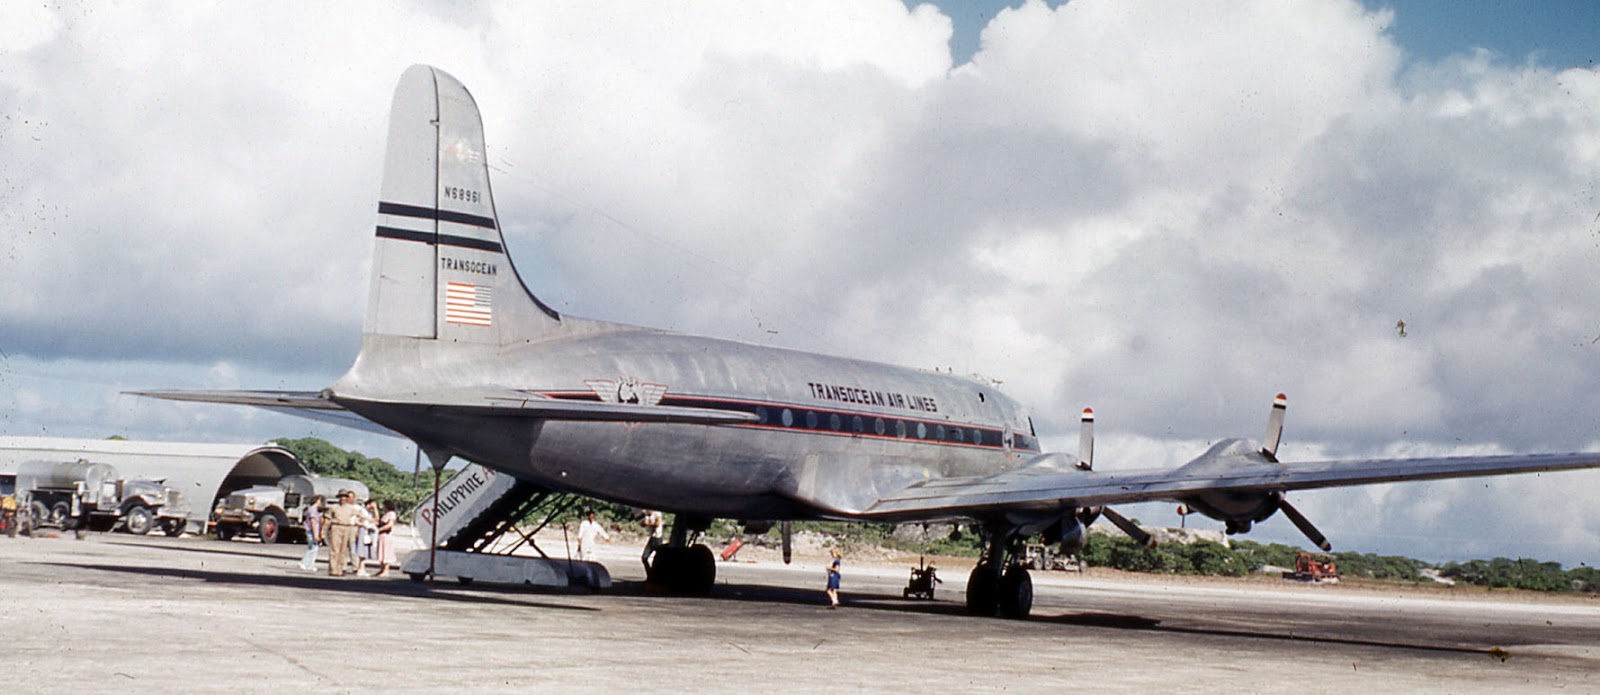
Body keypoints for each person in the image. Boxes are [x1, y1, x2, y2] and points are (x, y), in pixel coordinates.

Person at [323, 490, 362, 577]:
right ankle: (333, 569)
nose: (343, 498)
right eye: (341, 497)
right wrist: (323, 531)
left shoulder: (351, 508)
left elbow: (360, 515)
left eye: (345, 497)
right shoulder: (334, 507)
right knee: (334, 549)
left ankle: (340, 569)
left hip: (346, 527)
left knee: (343, 550)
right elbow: (327, 519)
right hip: (336, 526)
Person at [299, 495, 325, 571]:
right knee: (313, 548)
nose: (321, 503)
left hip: (312, 530)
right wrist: (316, 534)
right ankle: (304, 563)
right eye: (320, 501)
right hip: (312, 530)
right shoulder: (313, 509)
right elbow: (313, 522)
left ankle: (310, 564)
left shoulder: (315, 510)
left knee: (314, 547)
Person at [353, 499, 378, 576]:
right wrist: (364, 525)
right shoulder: (362, 511)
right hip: (363, 530)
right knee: (362, 549)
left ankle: (362, 567)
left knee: (366, 549)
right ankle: (360, 568)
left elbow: (377, 519)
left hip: (368, 531)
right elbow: (356, 520)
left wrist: (375, 509)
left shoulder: (370, 513)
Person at [374, 500, 398, 578]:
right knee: (381, 551)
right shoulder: (384, 514)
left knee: (386, 552)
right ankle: (381, 569)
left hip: (387, 535)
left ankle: (386, 570)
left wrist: (380, 529)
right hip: (381, 536)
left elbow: (390, 524)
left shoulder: (391, 514)